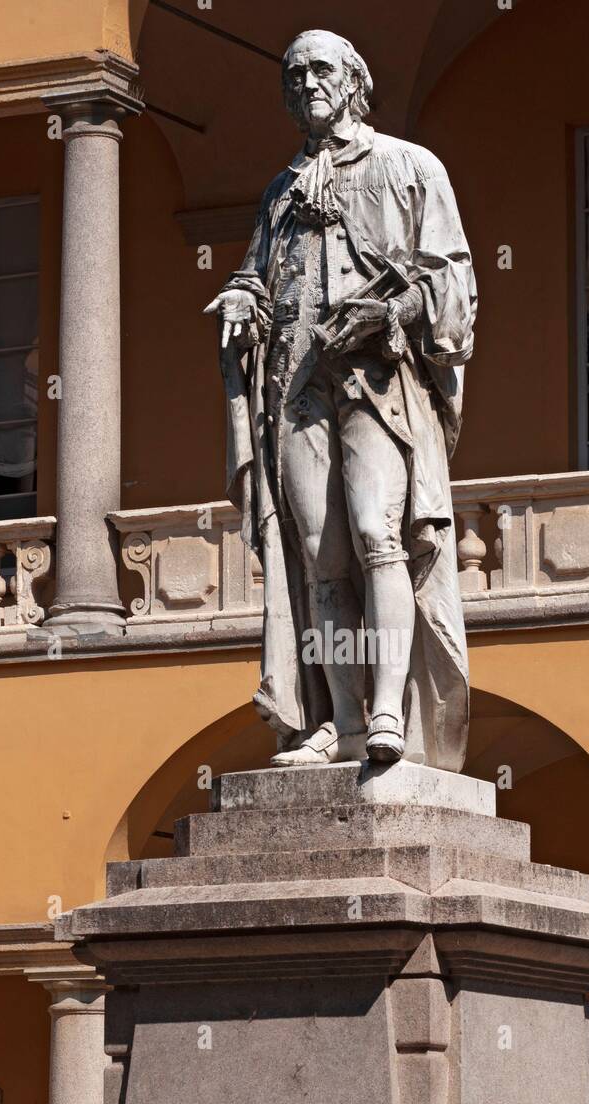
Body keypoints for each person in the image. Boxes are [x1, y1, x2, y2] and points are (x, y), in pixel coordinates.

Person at [207, 29, 476, 769]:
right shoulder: (281, 191)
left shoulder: (408, 167)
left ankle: (389, 710)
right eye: (291, 75)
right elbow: (256, 277)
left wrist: (390, 313)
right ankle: (345, 723)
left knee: (376, 534)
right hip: (295, 388)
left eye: (318, 70)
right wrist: (239, 299)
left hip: (378, 381)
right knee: (318, 556)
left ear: (353, 79)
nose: (303, 84)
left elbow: (455, 283)